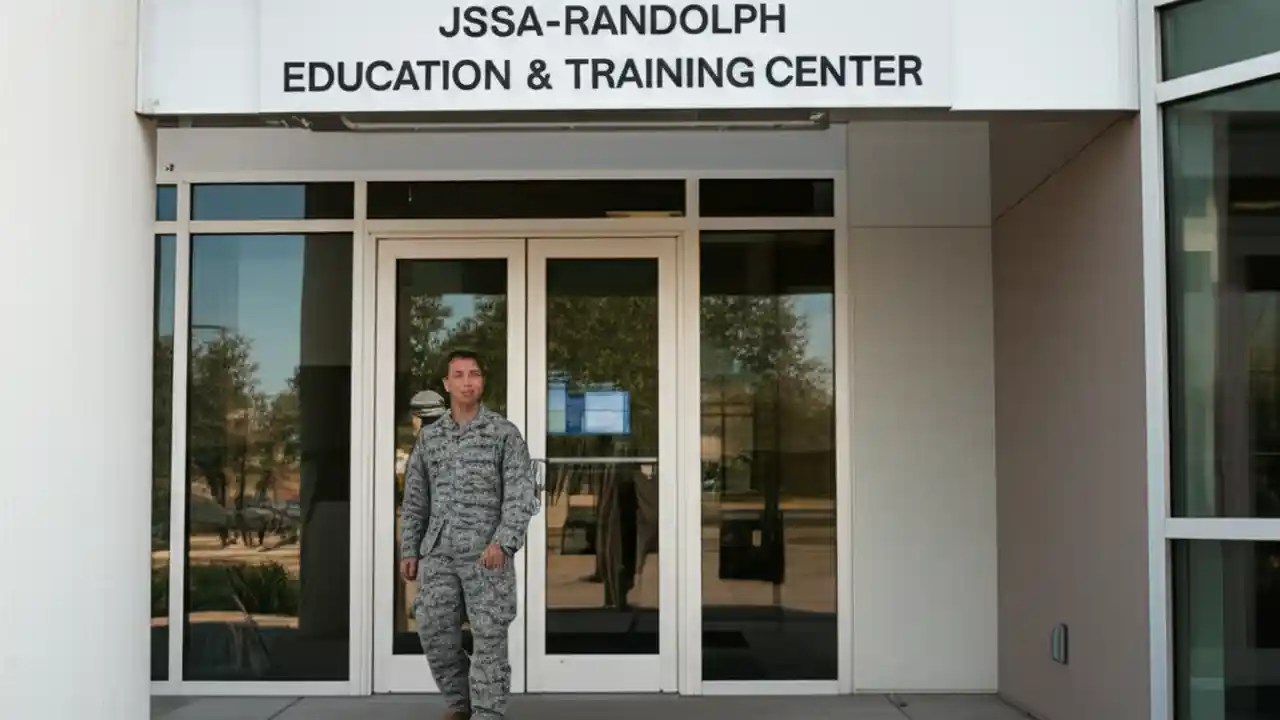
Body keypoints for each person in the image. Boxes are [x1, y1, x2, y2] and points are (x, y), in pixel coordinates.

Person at [399, 350, 537, 720]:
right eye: (457, 375)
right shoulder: (430, 438)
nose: (466, 381)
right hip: (439, 552)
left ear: (482, 381)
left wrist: (503, 542)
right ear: (446, 384)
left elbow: (521, 494)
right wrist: (409, 549)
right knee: (434, 630)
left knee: (490, 636)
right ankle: (461, 703)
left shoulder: (503, 434)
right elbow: (415, 499)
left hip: (485, 553)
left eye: (473, 374)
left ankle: (488, 712)